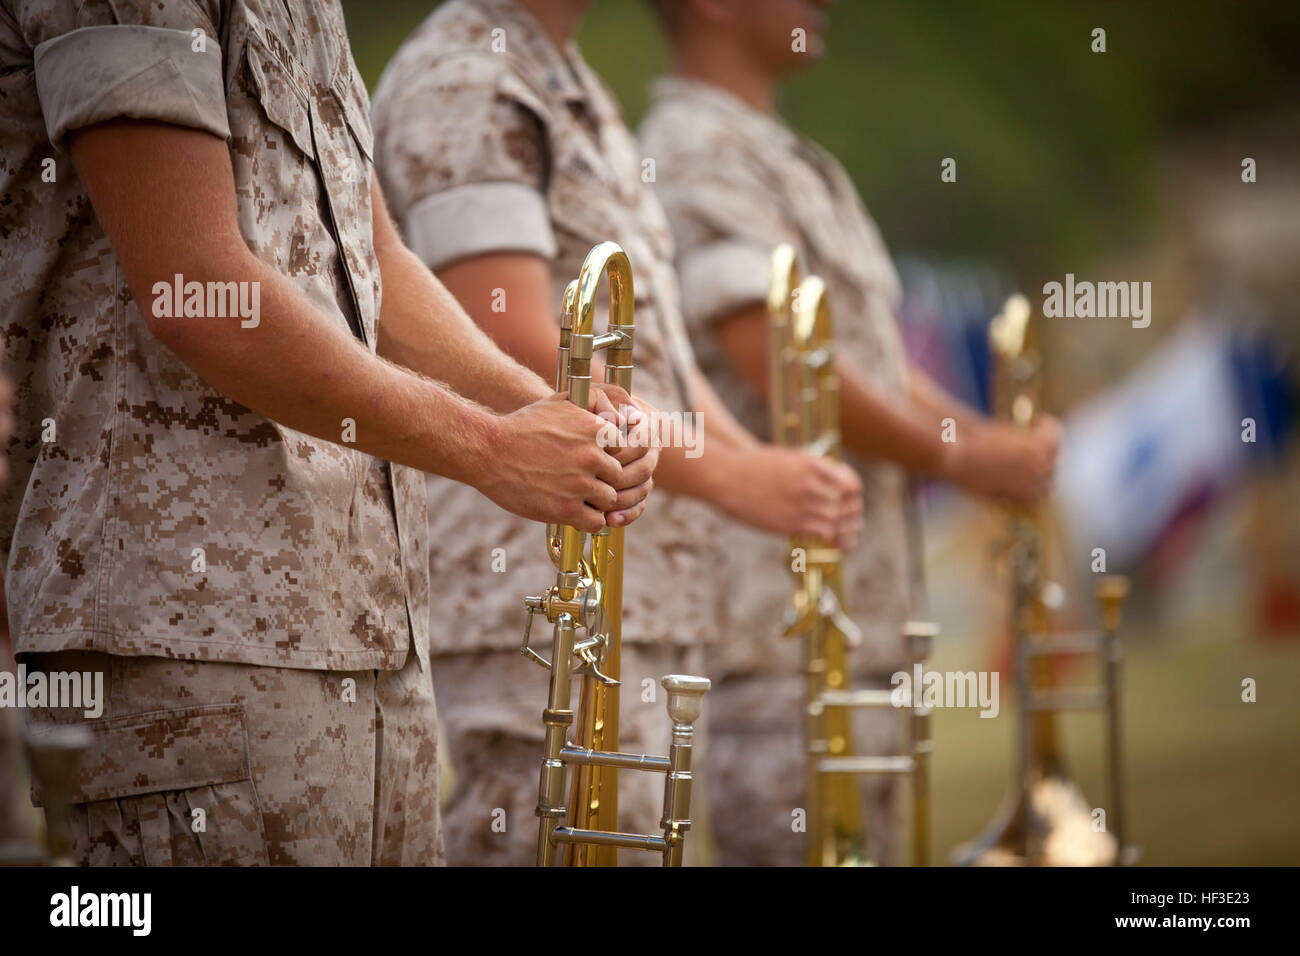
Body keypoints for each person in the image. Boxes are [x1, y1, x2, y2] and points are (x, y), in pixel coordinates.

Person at [0, 0, 657, 866]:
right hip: (190, 645)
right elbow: (194, 290)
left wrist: (543, 411)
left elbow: (378, 267)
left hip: (367, 634)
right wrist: (494, 450)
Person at [372, 0, 863, 865]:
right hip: (539, 594)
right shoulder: (468, 78)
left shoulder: (570, 82)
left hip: (629, 591)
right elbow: (511, 336)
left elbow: (656, 359)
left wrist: (762, 470)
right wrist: (732, 478)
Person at [640, 0, 1061, 865]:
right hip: (783, 632)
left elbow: (865, 357)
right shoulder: (693, 148)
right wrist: (962, 454)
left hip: (850, 615)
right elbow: (782, 359)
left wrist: (984, 443)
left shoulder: (783, 154)